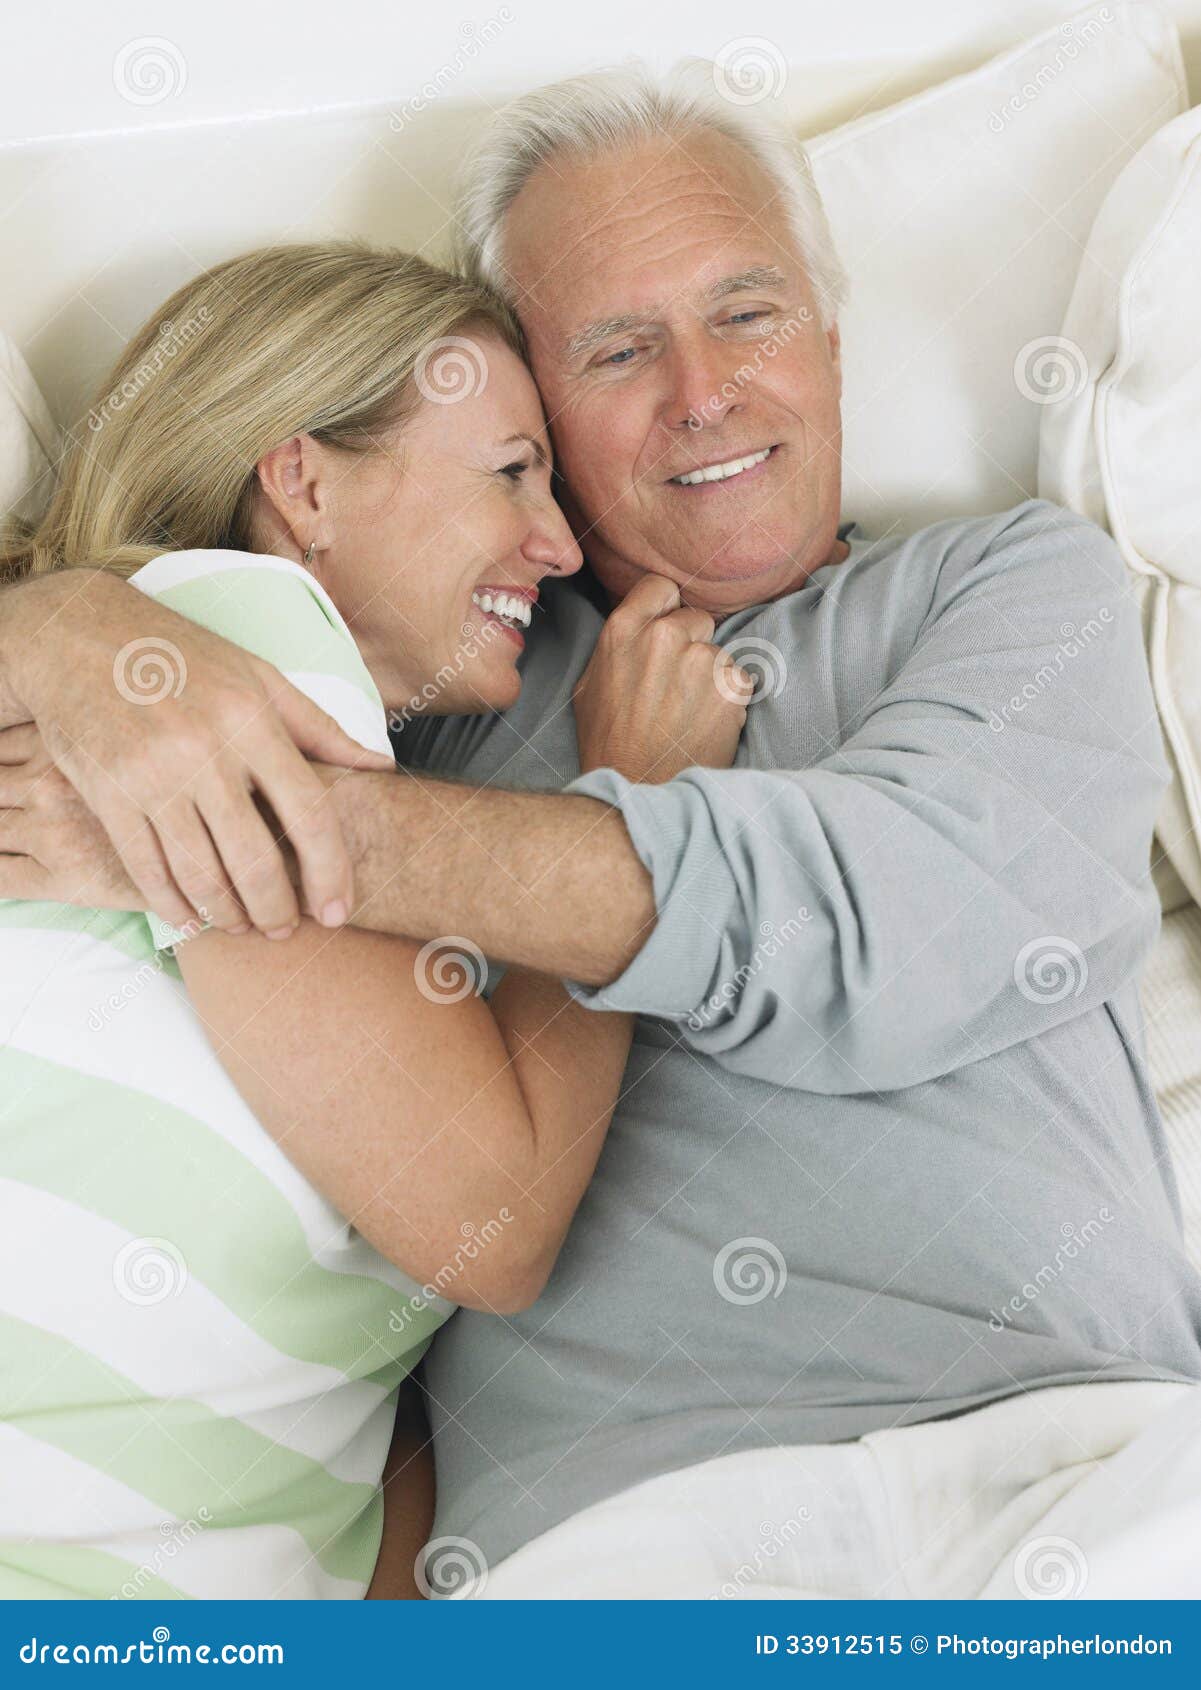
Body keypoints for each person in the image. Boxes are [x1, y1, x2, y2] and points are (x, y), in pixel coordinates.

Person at [3, 64, 1201, 1599]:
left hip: (1070, 1454)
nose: (702, 392)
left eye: (749, 313)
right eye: (617, 348)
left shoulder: (1009, 591)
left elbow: (887, 914)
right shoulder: (442, 672)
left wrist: (287, 833)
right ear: (538, 402)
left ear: (833, 341)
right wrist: (64, 626)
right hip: (615, 1546)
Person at [0, 239, 749, 1600]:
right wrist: (634, 797)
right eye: (508, 471)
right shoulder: (229, 629)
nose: (562, 543)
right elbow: (495, 1218)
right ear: (303, 483)